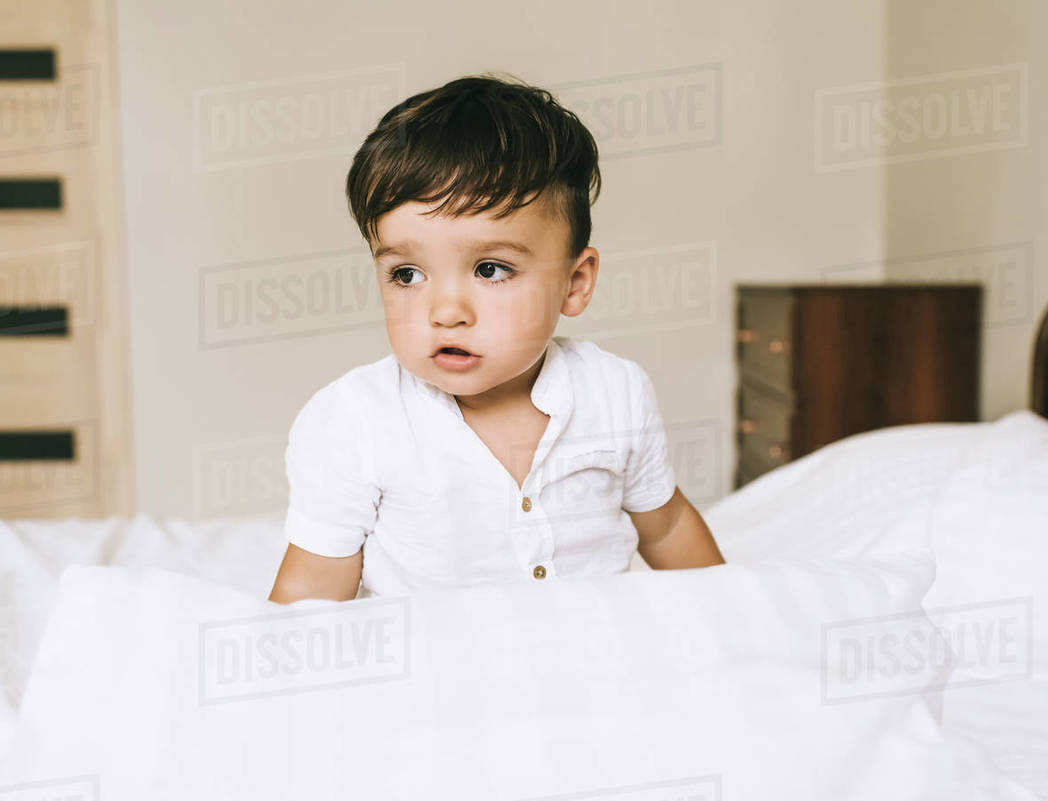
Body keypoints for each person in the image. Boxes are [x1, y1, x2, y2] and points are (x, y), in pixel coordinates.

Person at [269, 73, 724, 603]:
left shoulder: (614, 392)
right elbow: (312, 591)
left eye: (490, 269)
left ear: (574, 284)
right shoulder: (354, 421)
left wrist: (725, 613)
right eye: (407, 274)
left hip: (593, 661)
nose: (446, 311)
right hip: (434, 673)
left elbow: (666, 527)